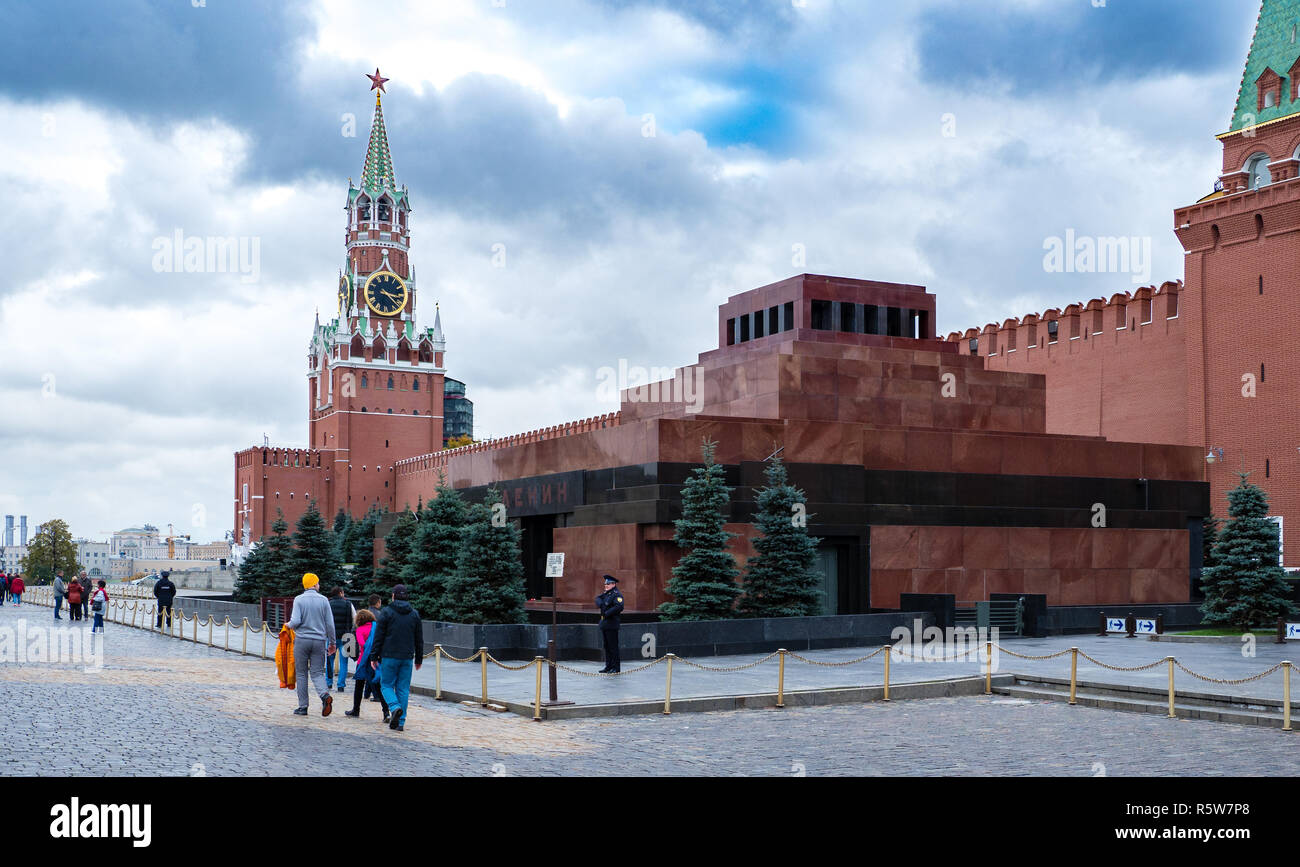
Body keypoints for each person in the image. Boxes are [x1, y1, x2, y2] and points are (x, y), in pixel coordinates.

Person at [368, 584, 423, 732]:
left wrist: (374, 656)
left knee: (385, 685)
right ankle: (401, 722)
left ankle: (394, 707)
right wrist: (419, 659)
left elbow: (378, 637)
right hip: (407, 657)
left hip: (389, 656)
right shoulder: (414, 614)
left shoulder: (386, 613)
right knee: (403, 688)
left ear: (393, 596)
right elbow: (419, 639)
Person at [285, 573, 337, 717]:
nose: (319, 585)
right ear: (313, 584)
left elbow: (295, 621)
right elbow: (330, 624)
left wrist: (287, 625)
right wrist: (332, 642)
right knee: (317, 672)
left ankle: (303, 707)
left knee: (301, 673)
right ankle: (325, 695)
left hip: (301, 640)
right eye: (318, 583)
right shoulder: (324, 600)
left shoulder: (299, 600)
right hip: (319, 641)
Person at [343, 608, 389, 722]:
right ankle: (386, 713)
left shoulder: (360, 630)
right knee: (378, 687)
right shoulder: (376, 627)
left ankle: (356, 710)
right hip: (376, 660)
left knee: (359, 686)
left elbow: (362, 645)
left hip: (363, 661)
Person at [327, 586, 356, 692]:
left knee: (329, 660)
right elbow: (354, 617)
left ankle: (329, 683)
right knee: (344, 662)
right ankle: (341, 685)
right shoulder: (348, 604)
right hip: (346, 636)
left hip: (331, 636)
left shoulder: (328, 604)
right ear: (340, 593)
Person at [596, 575, 624, 673]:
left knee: (613, 647)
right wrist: (601, 604)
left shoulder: (616, 595)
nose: (605, 585)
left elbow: (619, 606)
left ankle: (616, 668)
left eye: (608, 584)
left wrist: (607, 613)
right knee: (607, 646)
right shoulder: (607, 594)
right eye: (605, 584)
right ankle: (608, 666)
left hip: (612, 623)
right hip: (605, 624)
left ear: (613, 584)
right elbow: (598, 598)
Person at [364, 594, 383, 702]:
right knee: (374, 671)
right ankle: (376, 694)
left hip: (365, 646)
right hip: (376, 645)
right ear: (377, 603)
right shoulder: (380, 615)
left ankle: (367, 692)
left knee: (368, 670)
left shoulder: (364, 614)